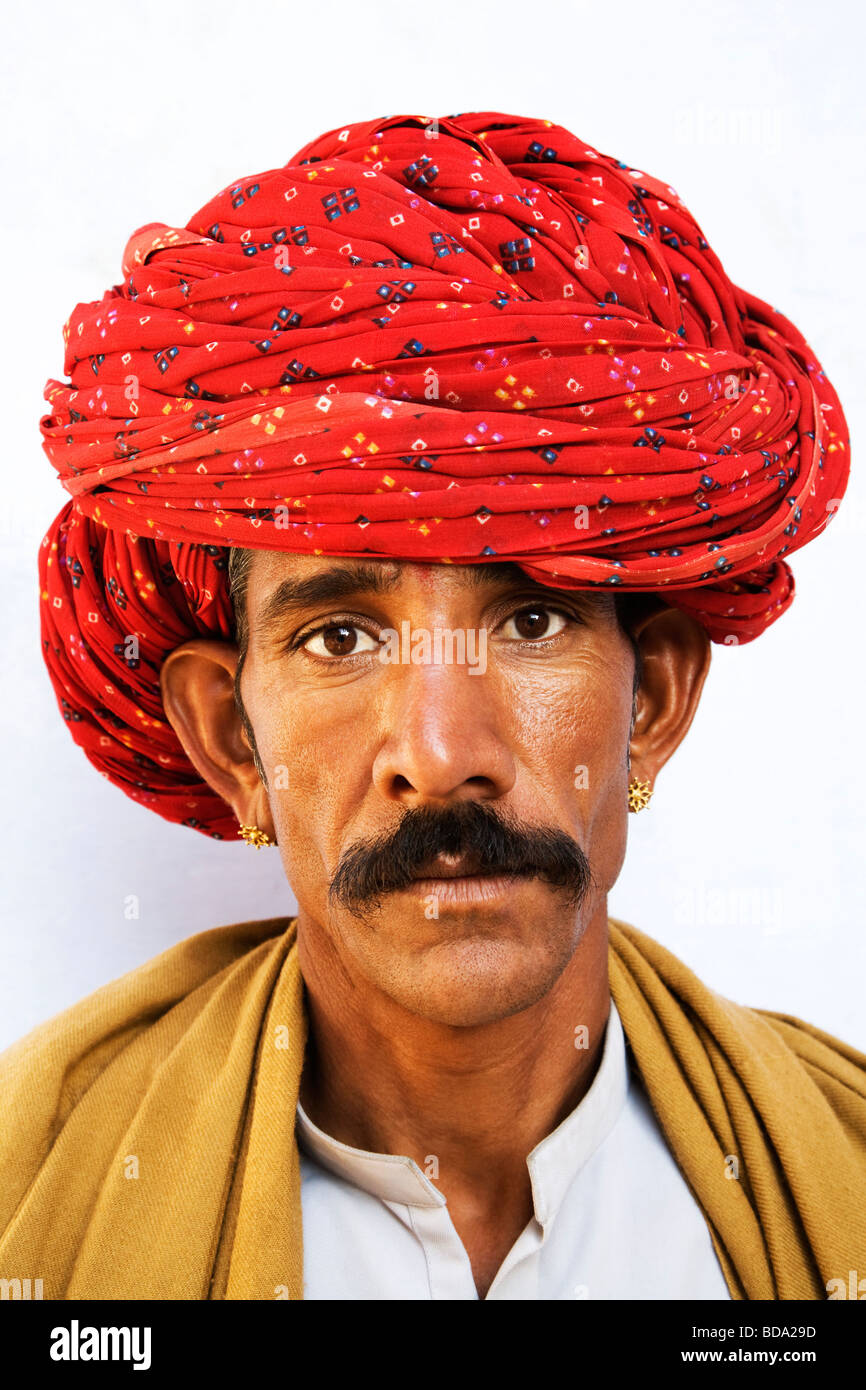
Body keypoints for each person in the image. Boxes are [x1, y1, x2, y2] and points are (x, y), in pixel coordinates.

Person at [2, 110, 863, 1302]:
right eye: (339, 637)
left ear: (652, 701)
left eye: (529, 623)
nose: (441, 755)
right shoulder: (29, 1194)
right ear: (231, 740)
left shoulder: (839, 1168)